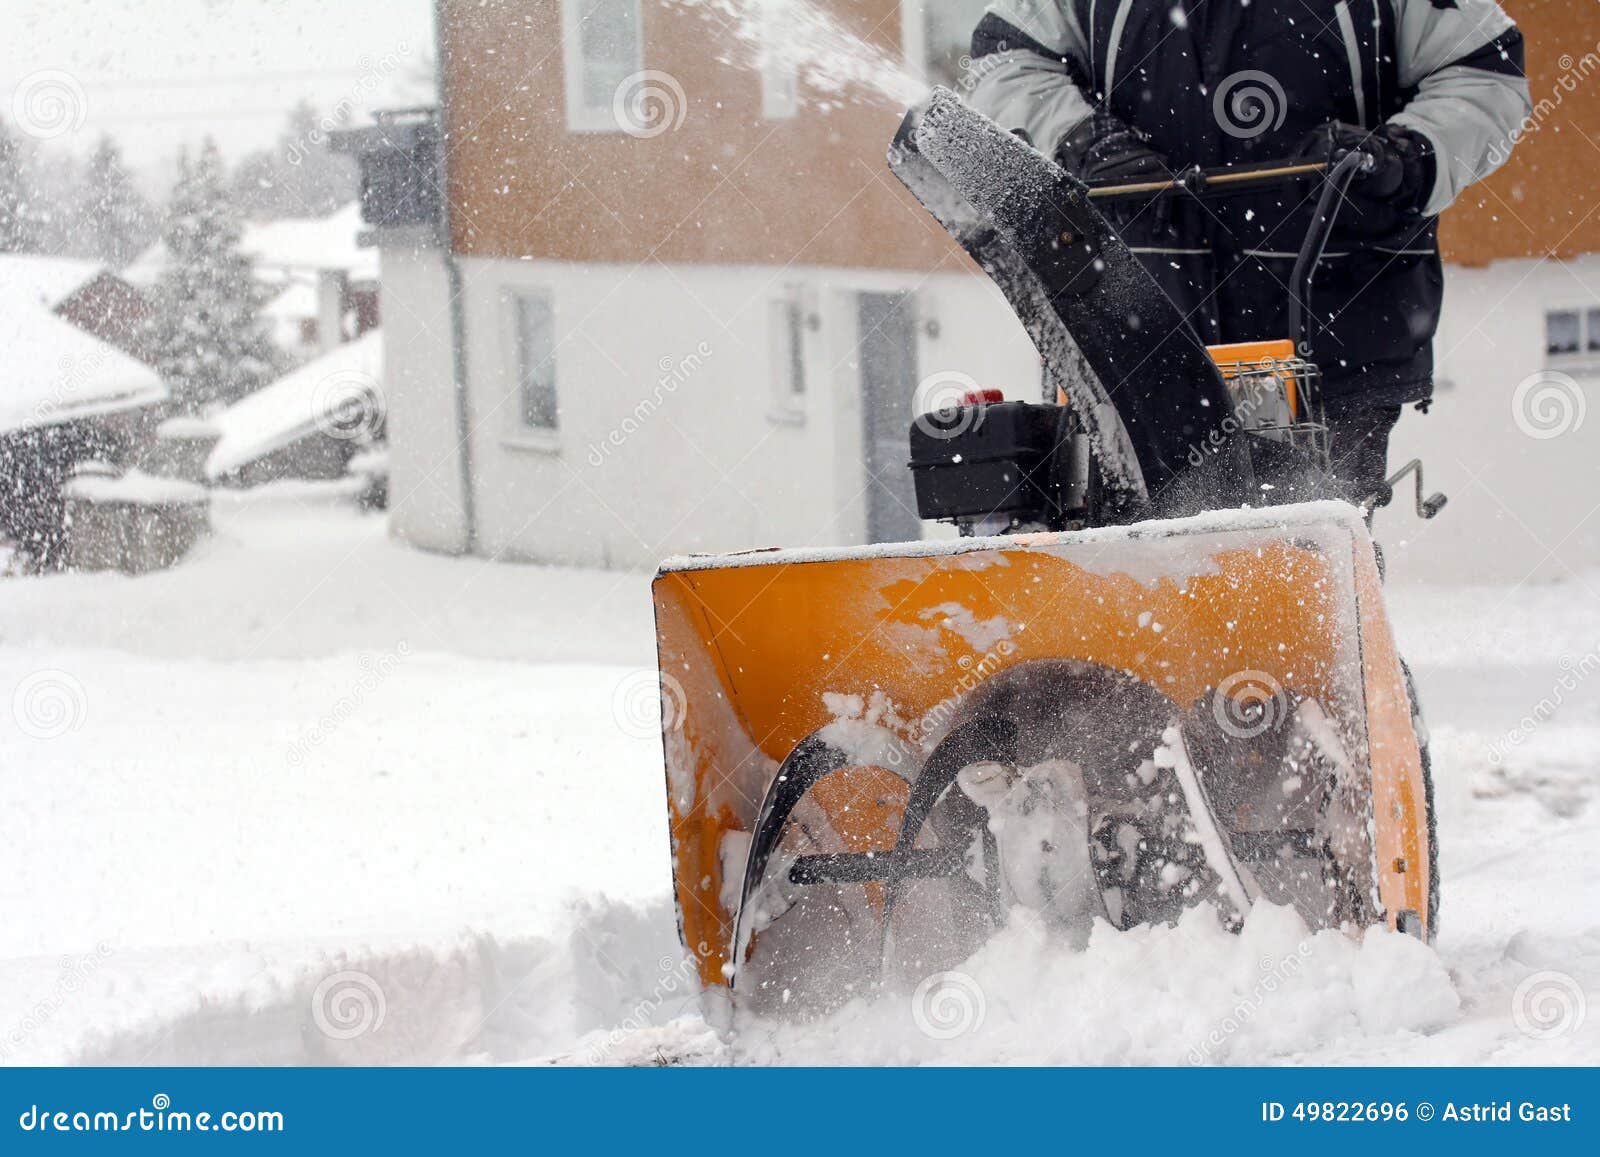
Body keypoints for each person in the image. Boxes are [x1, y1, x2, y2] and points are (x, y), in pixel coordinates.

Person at [967, 0, 1531, 499]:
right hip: (1137, 337)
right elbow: (1005, 59)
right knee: (1139, 568)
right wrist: (1083, 142)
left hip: (1334, 328)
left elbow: (1485, 69)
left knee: (1305, 557)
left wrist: (1402, 158)